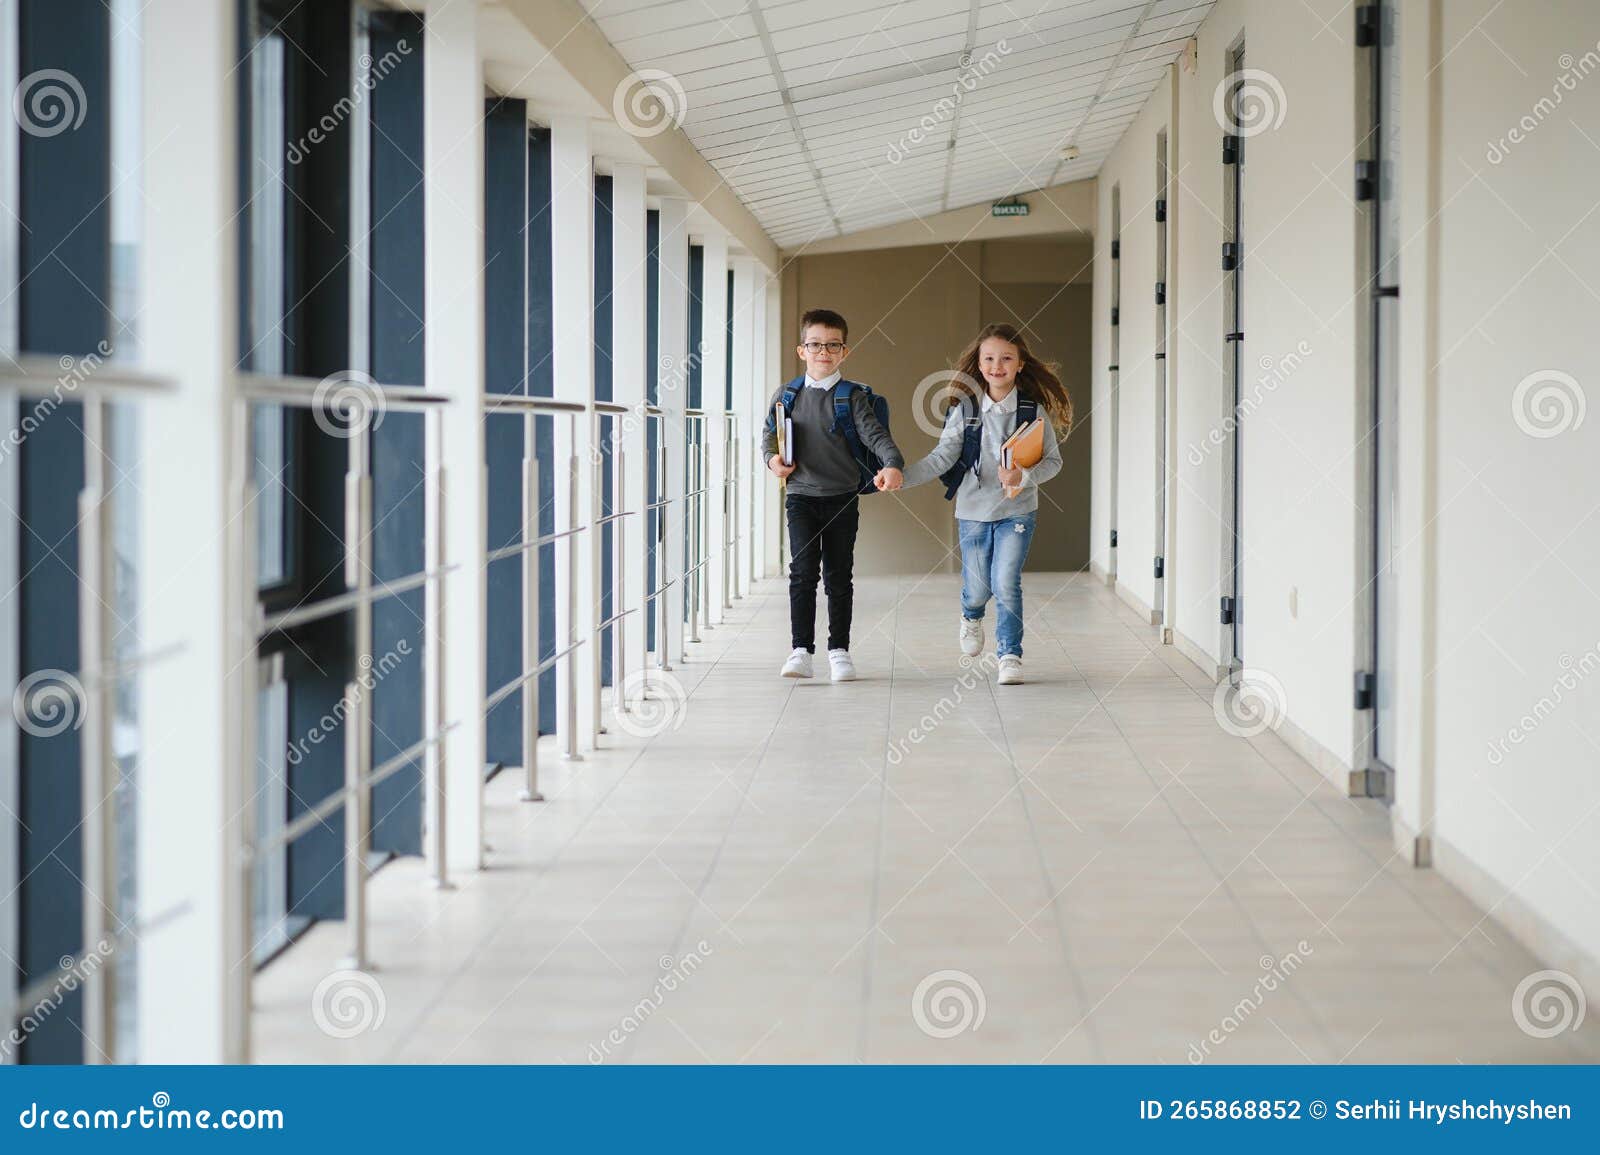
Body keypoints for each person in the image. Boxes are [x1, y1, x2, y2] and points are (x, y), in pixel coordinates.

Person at [879, 323, 1071, 685]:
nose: (997, 366)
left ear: (1020, 364)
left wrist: (1024, 476)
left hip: (1017, 511)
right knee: (979, 588)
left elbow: (1053, 462)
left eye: (1006, 359)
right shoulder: (965, 410)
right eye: (989, 359)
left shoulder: (1032, 411)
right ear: (979, 364)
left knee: (1006, 581)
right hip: (973, 511)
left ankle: (1009, 655)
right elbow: (941, 458)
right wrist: (902, 477)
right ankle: (971, 615)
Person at [761, 308, 903, 681]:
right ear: (801, 350)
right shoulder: (786, 395)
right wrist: (772, 460)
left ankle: (839, 651)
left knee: (838, 576)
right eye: (815, 345)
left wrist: (892, 463)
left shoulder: (851, 397)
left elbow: (877, 436)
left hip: (842, 498)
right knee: (802, 573)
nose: (823, 352)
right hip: (800, 497)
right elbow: (769, 436)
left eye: (832, 345)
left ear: (844, 351)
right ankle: (800, 651)